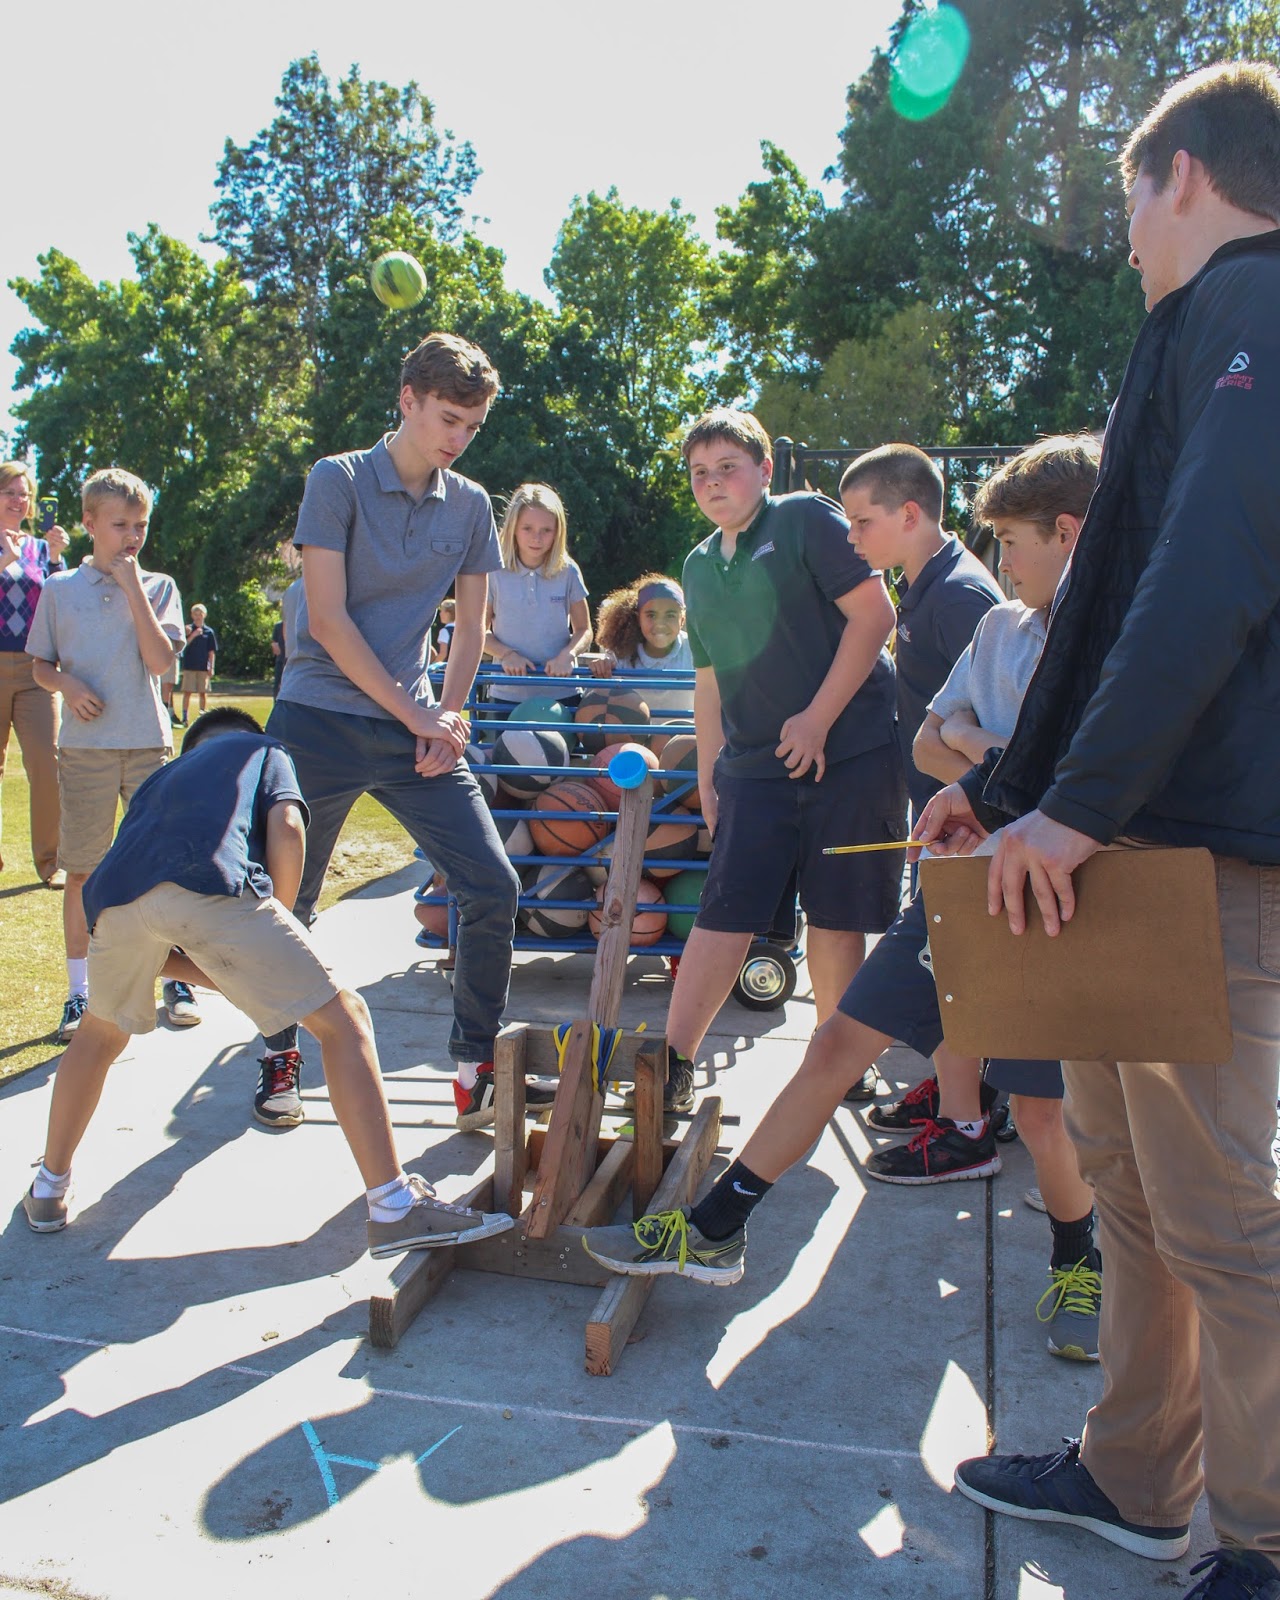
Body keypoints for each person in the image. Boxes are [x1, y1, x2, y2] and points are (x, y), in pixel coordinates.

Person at [919, 63, 1280, 1600]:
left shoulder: (1260, 311)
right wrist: (1005, 795)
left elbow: (1209, 579)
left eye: (1129, 195)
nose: (1123, 228)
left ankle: (1259, 1543)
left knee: (1224, 1219)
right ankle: (1140, 1476)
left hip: (1198, 854)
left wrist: (1068, 805)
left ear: (1182, 174)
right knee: (1130, 1195)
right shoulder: (1189, 333)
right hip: (1124, 840)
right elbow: (1107, 608)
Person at [580, 437, 1104, 1346]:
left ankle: (1077, 1261)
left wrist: (995, 772)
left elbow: (1095, 772)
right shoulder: (1000, 629)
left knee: (1050, 1119)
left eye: (1014, 541)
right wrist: (981, 773)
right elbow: (933, 737)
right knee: (833, 1046)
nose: (1001, 560)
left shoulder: (1114, 644)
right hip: (955, 897)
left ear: (1068, 534)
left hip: (1050, 914)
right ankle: (714, 1227)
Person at [20, 706, 515, 1257]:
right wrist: (283, 925)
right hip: (211, 886)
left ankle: (49, 1188)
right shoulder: (263, 749)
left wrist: (251, 969)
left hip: (113, 906)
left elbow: (159, 938)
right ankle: (394, 1205)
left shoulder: (164, 779)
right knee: (345, 1020)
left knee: (99, 1035)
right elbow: (287, 825)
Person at [265, 331, 525, 1136]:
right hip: (316, 719)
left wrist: (445, 718)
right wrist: (418, 713)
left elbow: (473, 628)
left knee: (493, 885)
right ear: (407, 400)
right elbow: (330, 621)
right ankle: (280, 1059)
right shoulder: (336, 479)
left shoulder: (475, 504)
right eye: (448, 418)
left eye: (472, 427)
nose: (457, 438)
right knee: (284, 902)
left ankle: (473, 1068)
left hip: (415, 728)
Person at [650, 408, 904, 1114]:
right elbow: (707, 685)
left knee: (835, 914)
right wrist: (707, 773)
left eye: (728, 467)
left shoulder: (803, 521)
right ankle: (671, 1064)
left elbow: (876, 617)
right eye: (699, 473)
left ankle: (841, 1060)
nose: (713, 483)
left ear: (764, 469)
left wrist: (819, 719)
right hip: (757, 765)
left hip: (851, 749)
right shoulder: (698, 566)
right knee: (724, 909)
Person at [838, 443, 1002, 1097]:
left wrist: (949, 764)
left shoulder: (961, 596)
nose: (851, 537)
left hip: (970, 825)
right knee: (954, 970)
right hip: (939, 812)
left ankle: (974, 1110)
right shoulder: (926, 582)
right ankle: (962, 1091)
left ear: (909, 514)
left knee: (958, 972)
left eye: (861, 522)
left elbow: (1006, 731)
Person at [26, 468, 199, 1041]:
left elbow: (158, 662)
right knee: (84, 870)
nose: (132, 536)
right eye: (120, 524)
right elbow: (40, 667)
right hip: (85, 752)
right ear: (88, 523)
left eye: (141, 525)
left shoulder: (162, 587)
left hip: (148, 744)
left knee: (164, 868)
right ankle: (80, 994)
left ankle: (177, 976)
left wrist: (132, 588)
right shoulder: (58, 590)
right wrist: (66, 687)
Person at [0, 461, 68, 888]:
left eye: (24, 494)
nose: (18, 500)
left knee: (48, 762)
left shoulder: (39, 549)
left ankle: (51, 861)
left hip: (36, 668)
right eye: (9, 491)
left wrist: (57, 558)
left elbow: (60, 600)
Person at [481, 482, 592, 709]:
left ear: (557, 532)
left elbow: (584, 629)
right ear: (513, 527)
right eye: (528, 528)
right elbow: (478, 631)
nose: (537, 538)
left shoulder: (568, 570)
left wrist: (567, 655)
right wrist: (507, 655)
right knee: (503, 746)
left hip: (561, 691)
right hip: (507, 693)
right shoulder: (493, 570)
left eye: (546, 530)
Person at [589, 573, 694, 713]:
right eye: (651, 615)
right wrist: (600, 672)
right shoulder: (620, 653)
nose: (660, 624)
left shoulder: (696, 650)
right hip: (634, 734)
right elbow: (597, 706)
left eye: (670, 615)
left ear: (682, 620)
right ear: (638, 618)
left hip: (684, 732)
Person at [179, 604, 217, 724]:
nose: (198, 616)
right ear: (192, 615)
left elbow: (212, 652)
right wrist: (193, 635)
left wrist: (211, 666)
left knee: (203, 692)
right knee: (187, 692)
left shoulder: (209, 632)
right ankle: (185, 717)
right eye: (195, 614)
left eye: (200, 614)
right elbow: (182, 646)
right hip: (189, 666)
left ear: (204, 615)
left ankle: (202, 715)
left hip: (203, 667)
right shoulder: (188, 629)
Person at [432, 597, 456, 664]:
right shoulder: (463, 630)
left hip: (447, 667)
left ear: (448, 614)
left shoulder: (445, 631)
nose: (440, 614)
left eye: (442, 611)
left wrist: (433, 665)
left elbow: (443, 654)